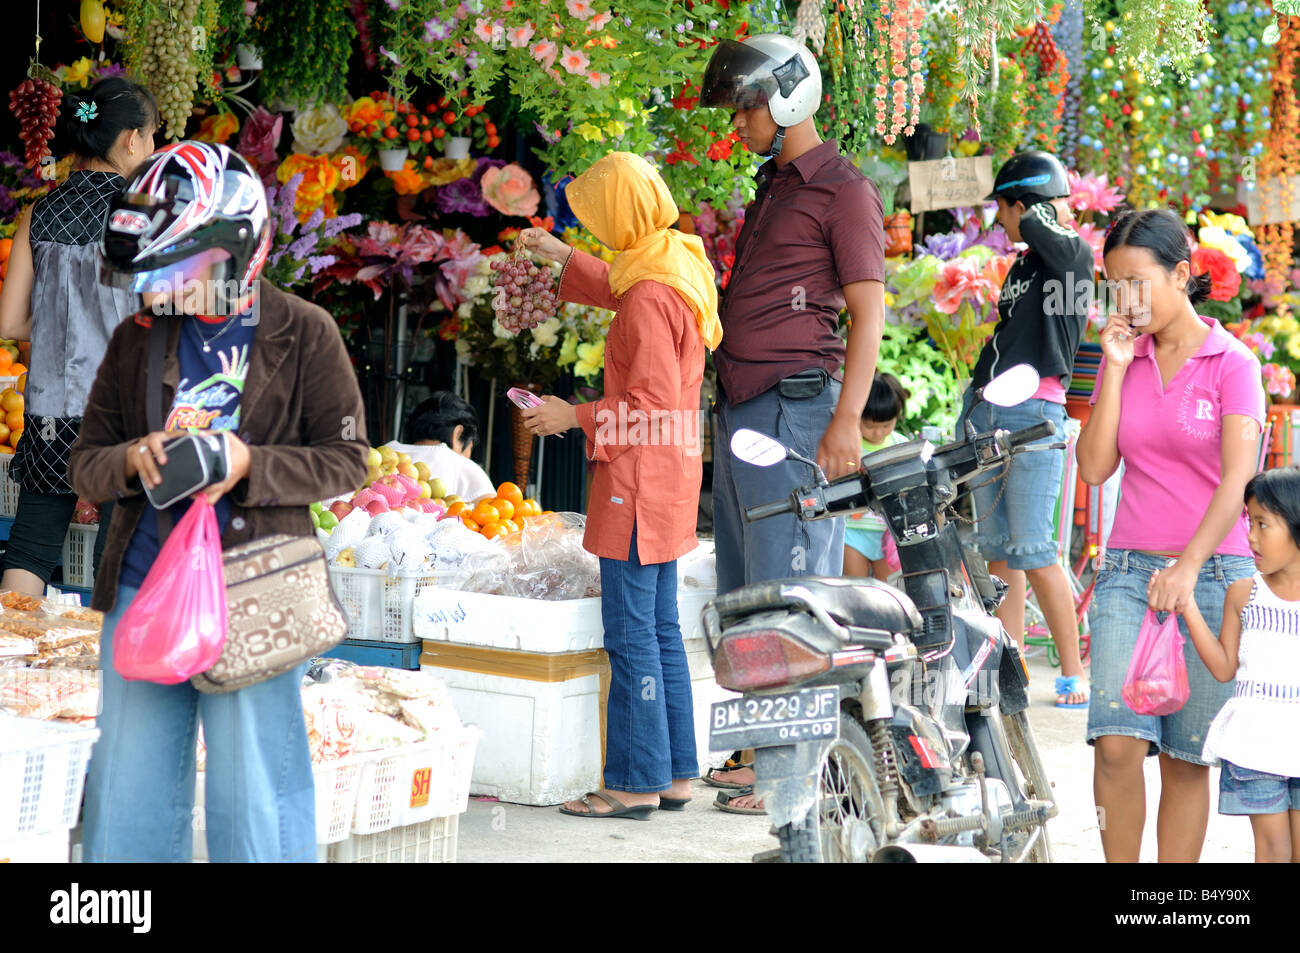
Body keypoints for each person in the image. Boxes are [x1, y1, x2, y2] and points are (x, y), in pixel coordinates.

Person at [68, 142, 368, 862]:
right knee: (128, 793)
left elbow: (347, 459)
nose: (162, 290)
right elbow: (85, 463)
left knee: (253, 794)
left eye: (181, 271)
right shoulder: (135, 340)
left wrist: (247, 463)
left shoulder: (306, 333)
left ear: (239, 253)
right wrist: (133, 460)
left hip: (255, 593)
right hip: (145, 589)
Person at [697, 33, 886, 811]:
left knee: (794, 594)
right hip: (746, 408)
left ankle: (797, 771)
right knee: (748, 591)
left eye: (745, 109)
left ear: (786, 100)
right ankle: (761, 747)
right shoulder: (774, 184)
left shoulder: (843, 189)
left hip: (798, 408)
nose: (737, 124)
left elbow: (870, 312)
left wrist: (845, 420)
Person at [516, 151, 718, 818]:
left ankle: (632, 781)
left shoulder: (646, 298)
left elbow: (649, 404)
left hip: (636, 481)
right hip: (668, 474)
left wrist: (568, 415)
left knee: (631, 635)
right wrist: (558, 254)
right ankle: (676, 770)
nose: (596, 230)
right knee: (660, 628)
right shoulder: (675, 258)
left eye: (597, 219)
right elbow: (625, 283)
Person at [1077, 207, 1263, 863]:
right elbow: (1096, 467)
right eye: (1112, 285)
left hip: (1215, 579)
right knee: (1118, 740)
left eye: (1137, 282)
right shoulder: (1121, 353)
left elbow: (1240, 478)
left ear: (1181, 275)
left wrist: (1188, 567)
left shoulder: (1233, 364)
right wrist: (1119, 367)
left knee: (1187, 759)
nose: (1125, 300)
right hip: (1129, 573)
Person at [0, 77, 158, 595]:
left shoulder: (37, 214)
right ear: (131, 139)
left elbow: (8, 323)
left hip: (50, 413)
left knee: (30, 545)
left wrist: (58, 331)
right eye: (153, 137)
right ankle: (104, 672)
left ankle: (6, 661)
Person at [960, 150, 1094, 709]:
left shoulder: (1073, 258)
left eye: (1004, 210)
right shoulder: (1023, 267)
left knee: (1036, 550)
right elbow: (1005, 336)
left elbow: (1056, 236)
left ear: (1024, 206)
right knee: (997, 553)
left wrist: (1041, 206)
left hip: (1034, 418)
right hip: (989, 414)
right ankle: (1010, 670)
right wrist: (972, 401)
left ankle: (1071, 672)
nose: (1000, 222)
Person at [1180, 468, 1300, 863]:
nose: (1250, 536)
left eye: (1263, 523)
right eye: (1249, 522)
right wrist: (1189, 608)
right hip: (1256, 743)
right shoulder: (1243, 593)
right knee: (1271, 847)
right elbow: (1223, 668)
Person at [844, 372, 908, 581]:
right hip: (851, 532)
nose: (878, 433)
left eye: (886, 425)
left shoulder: (900, 446)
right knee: (855, 591)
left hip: (887, 533)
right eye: (870, 426)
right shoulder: (847, 446)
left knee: (889, 593)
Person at [384, 390, 495, 502]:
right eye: (470, 447)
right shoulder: (462, 465)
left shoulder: (386, 452)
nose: (469, 456)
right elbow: (494, 512)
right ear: (457, 434)